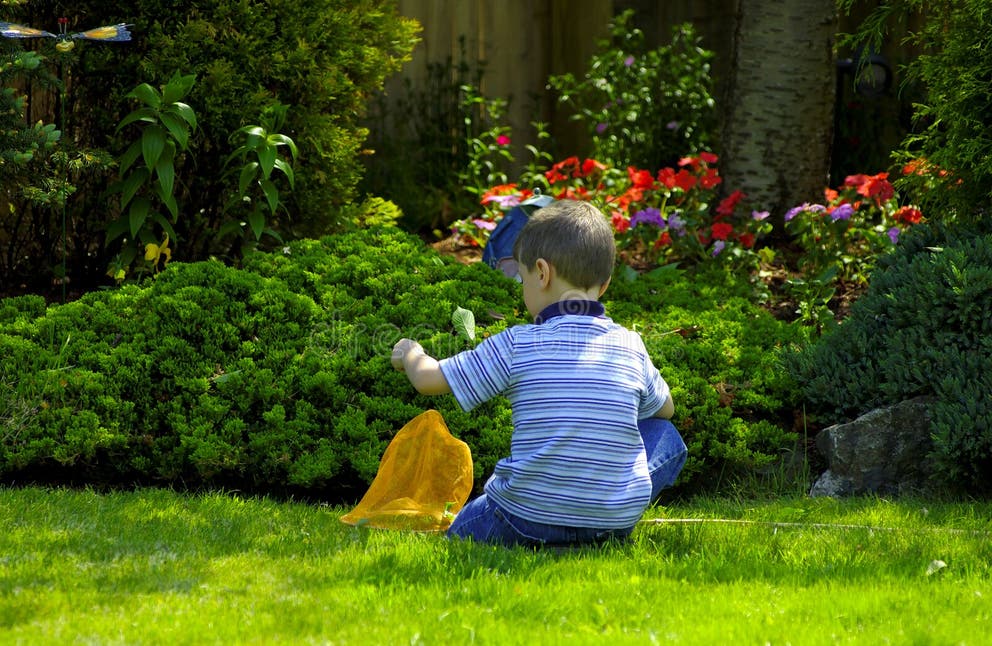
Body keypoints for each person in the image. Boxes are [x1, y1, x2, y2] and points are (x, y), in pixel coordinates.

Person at [390, 200, 687, 547]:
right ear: (604, 285)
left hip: (522, 519)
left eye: (523, 278)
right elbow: (664, 411)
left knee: (469, 525)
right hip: (611, 521)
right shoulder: (630, 344)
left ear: (542, 273)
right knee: (665, 434)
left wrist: (411, 352)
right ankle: (601, 507)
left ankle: (548, 506)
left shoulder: (519, 343)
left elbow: (428, 380)